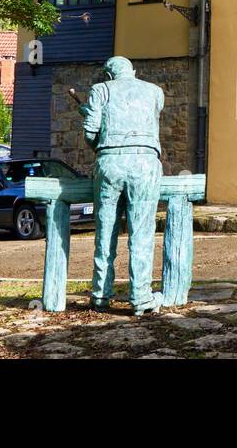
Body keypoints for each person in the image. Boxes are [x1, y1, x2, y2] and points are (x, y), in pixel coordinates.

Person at [79, 55, 166, 315]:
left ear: (108, 75)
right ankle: (140, 298)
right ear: (134, 71)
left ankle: (100, 295)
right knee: (141, 232)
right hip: (145, 163)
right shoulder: (155, 91)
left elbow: (90, 134)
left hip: (110, 163)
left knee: (105, 232)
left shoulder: (100, 90)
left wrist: (103, 146)